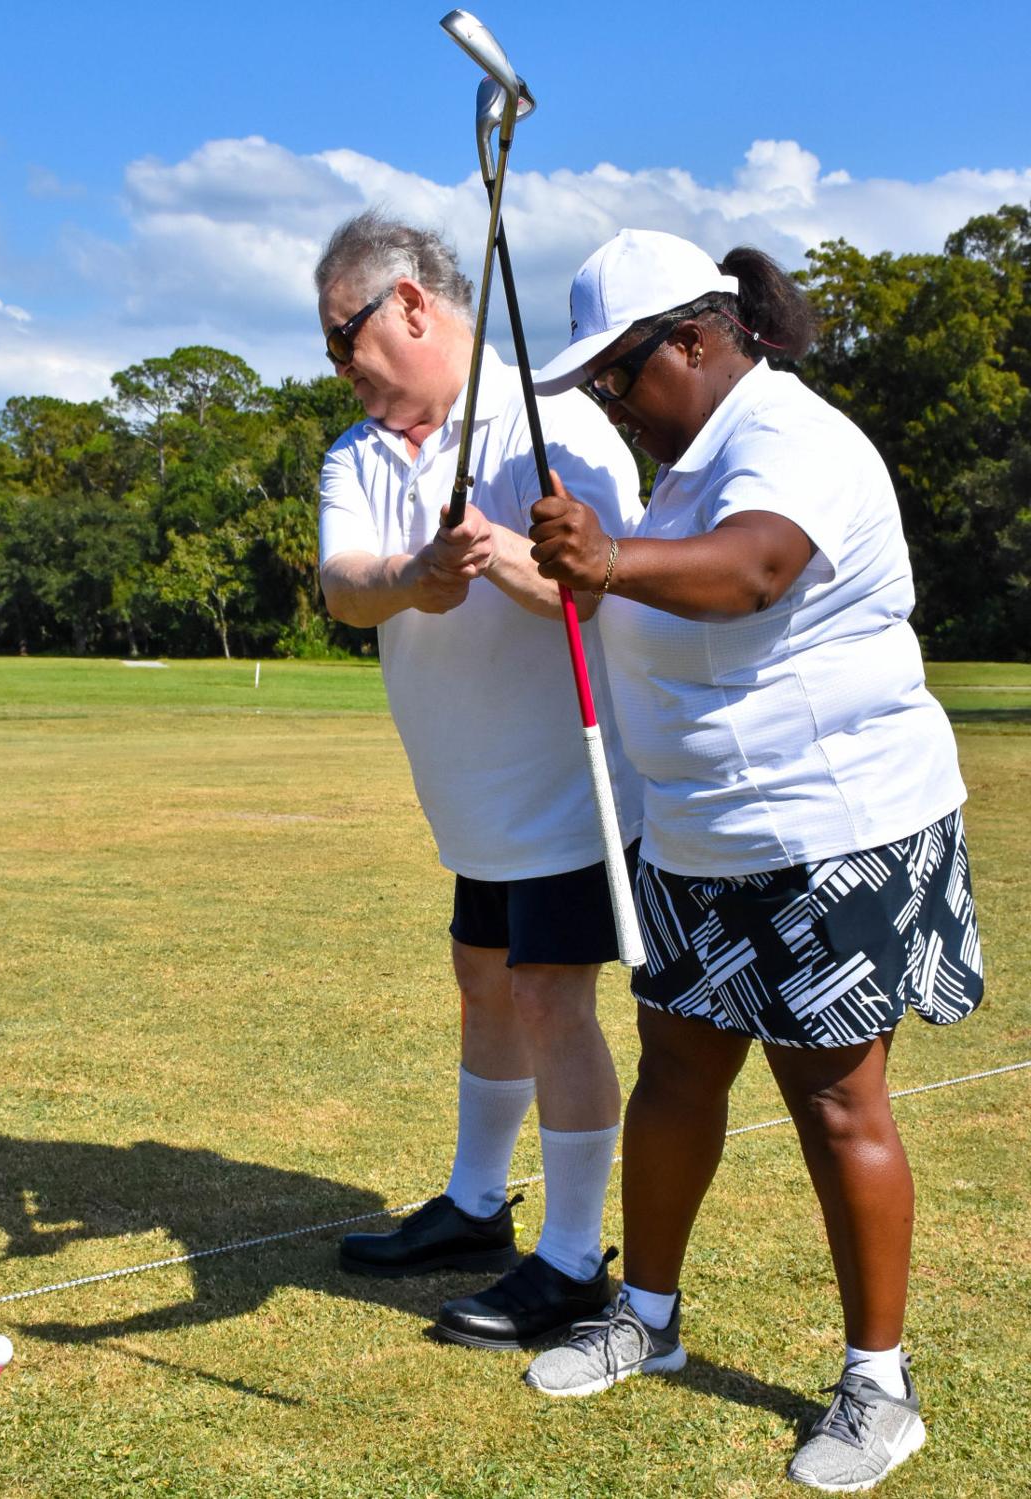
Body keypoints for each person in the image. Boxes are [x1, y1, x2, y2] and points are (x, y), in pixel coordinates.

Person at [519, 229, 983, 1493]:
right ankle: (648, 1315)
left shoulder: (792, 437)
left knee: (837, 1103)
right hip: (698, 836)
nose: (611, 403)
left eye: (619, 376)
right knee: (676, 1069)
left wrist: (610, 559)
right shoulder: (686, 466)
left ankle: (880, 1386)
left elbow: (757, 569)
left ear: (695, 339)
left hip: (829, 831)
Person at [316, 210, 645, 1349]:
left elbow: (605, 589)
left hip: (571, 779)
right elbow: (342, 587)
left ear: (407, 304)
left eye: (339, 335)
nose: (338, 365)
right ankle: (473, 1204)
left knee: (553, 993)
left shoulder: (558, 424)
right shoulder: (356, 453)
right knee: (482, 979)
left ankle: (570, 1258)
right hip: (471, 795)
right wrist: (413, 573)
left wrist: (497, 551)